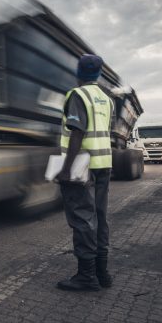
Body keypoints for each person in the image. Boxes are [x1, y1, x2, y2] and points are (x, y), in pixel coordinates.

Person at [55, 54, 114, 291]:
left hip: (82, 165)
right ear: (98, 74)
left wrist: (66, 169)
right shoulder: (106, 99)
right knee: (99, 217)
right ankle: (102, 273)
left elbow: (77, 132)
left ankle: (86, 277)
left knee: (83, 219)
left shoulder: (77, 95)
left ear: (78, 73)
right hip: (104, 164)